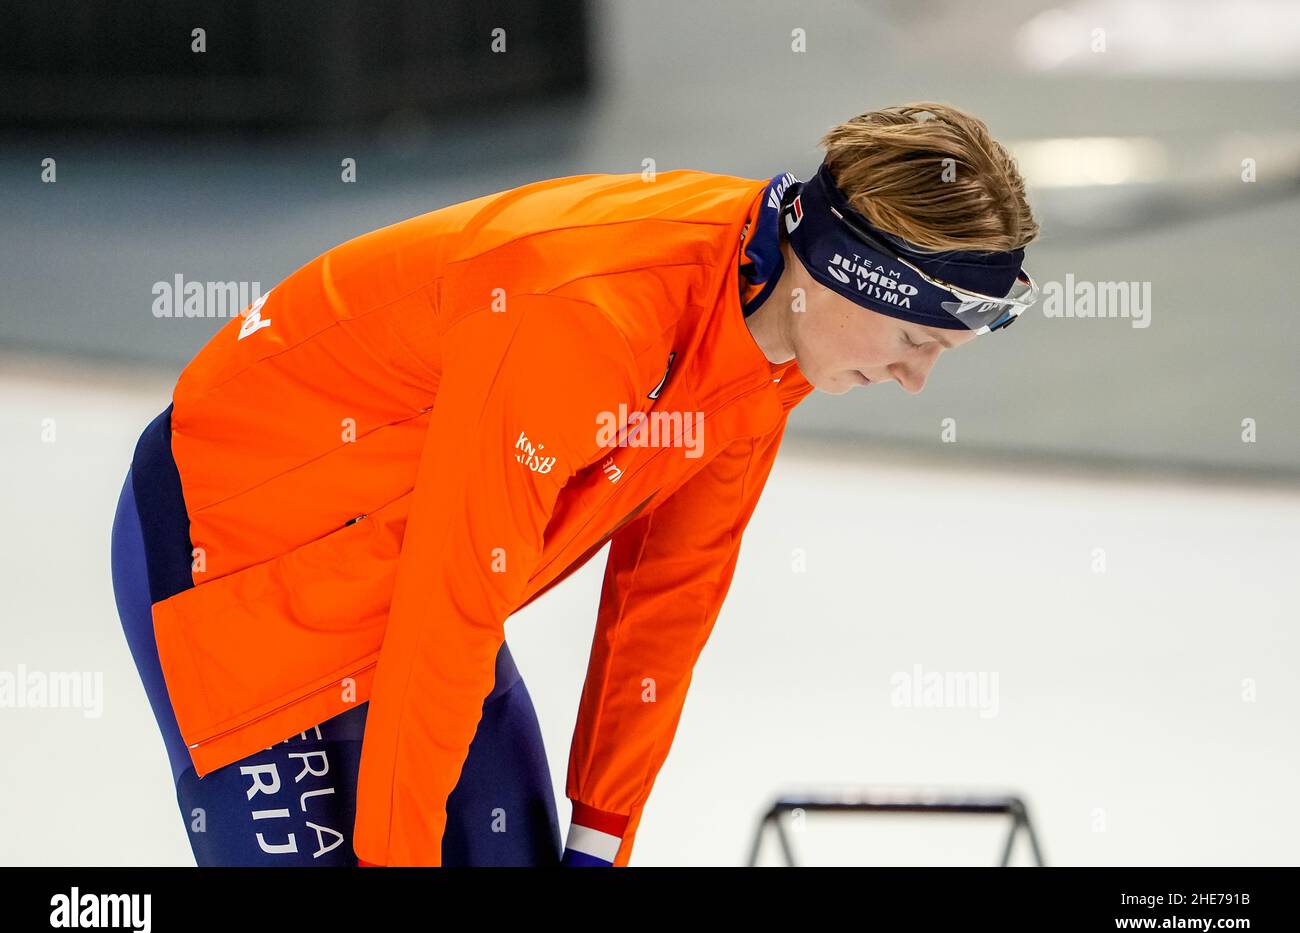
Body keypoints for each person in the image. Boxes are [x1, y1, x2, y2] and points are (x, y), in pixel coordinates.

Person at [109, 101, 1040, 867]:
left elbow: (665, 600)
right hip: (235, 549)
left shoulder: (771, 344)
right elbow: (453, 598)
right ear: (848, 273)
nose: (917, 379)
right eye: (917, 341)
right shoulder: (592, 315)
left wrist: (603, 836)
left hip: (404, 561)